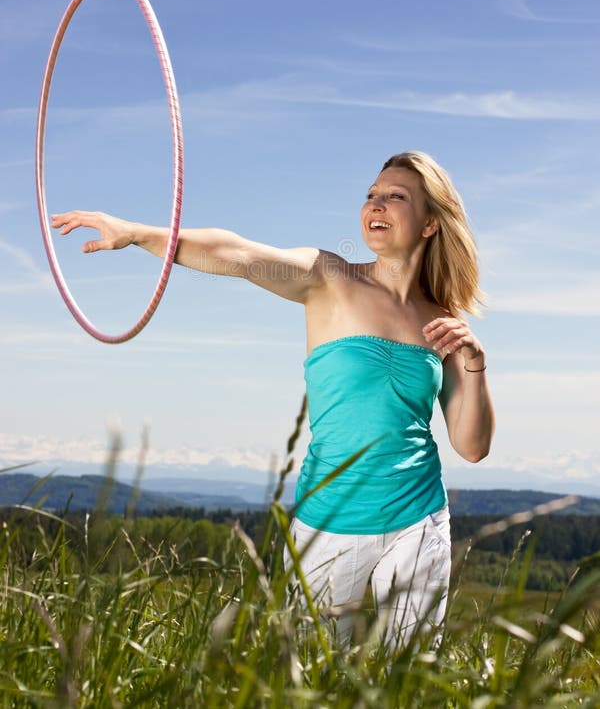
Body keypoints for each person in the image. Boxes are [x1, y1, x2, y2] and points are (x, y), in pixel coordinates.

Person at [51, 150, 494, 652]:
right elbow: (237, 253)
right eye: (372, 194)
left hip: (419, 517)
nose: (377, 204)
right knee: (316, 675)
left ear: (431, 223)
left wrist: (475, 364)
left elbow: (472, 446)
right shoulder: (330, 277)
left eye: (396, 197)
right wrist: (137, 232)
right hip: (328, 521)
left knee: (413, 677)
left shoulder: (442, 318)